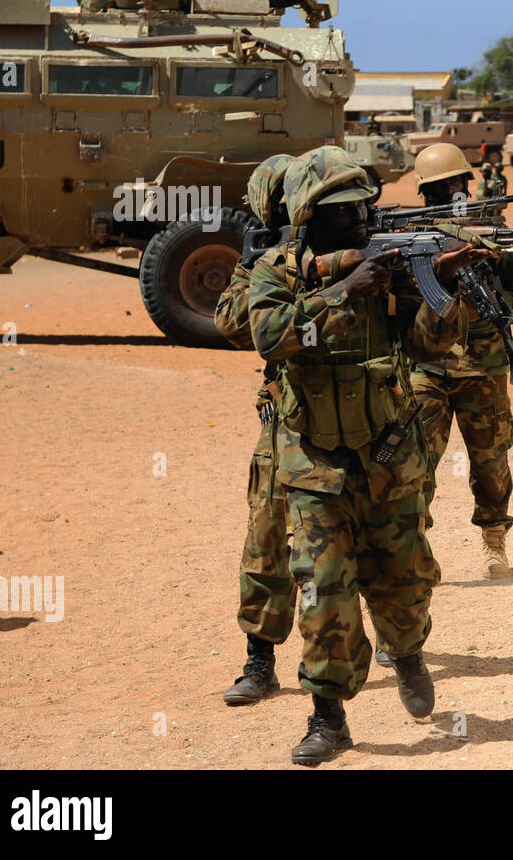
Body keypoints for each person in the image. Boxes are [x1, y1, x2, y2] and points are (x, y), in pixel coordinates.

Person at [248, 145, 491, 766]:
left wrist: (450, 284)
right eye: (343, 211)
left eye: (363, 207)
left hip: (387, 456)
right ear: (309, 215)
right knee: (323, 592)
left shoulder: (394, 268)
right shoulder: (277, 271)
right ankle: (328, 718)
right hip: (312, 467)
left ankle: (406, 653)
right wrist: (344, 290)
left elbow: (430, 341)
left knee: (403, 587)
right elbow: (271, 337)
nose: (360, 218)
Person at [381, 143, 513, 593]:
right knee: (414, 463)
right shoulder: (406, 238)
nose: (453, 194)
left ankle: (494, 539)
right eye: (440, 188)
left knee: (490, 461)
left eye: (458, 184)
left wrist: (494, 308)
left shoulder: (490, 233)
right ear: (425, 193)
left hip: (483, 368)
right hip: (425, 368)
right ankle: (415, 549)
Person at [217, 153, 297, 706]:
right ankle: (260, 660)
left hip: (362, 419)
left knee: (373, 538)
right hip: (286, 424)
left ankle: (395, 642)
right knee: (266, 542)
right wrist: (254, 265)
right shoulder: (272, 260)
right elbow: (229, 324)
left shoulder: (358, 246)